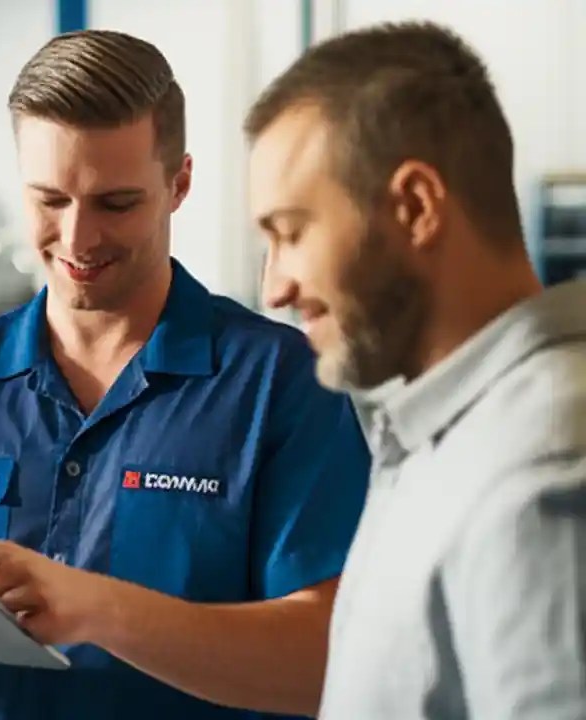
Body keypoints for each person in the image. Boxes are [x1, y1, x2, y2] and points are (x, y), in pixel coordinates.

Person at [0, 29, 371, 719]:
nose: (78, 239)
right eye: (50, 200)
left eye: (116, 203)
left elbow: (324, 661)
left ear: (179, 184)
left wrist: (99, 610)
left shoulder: (279, 385)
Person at [244, 21, 586, 718]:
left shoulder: (538, 473)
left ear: (415, 208)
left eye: (292, 232)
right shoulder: (442, 433)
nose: (273, 289)